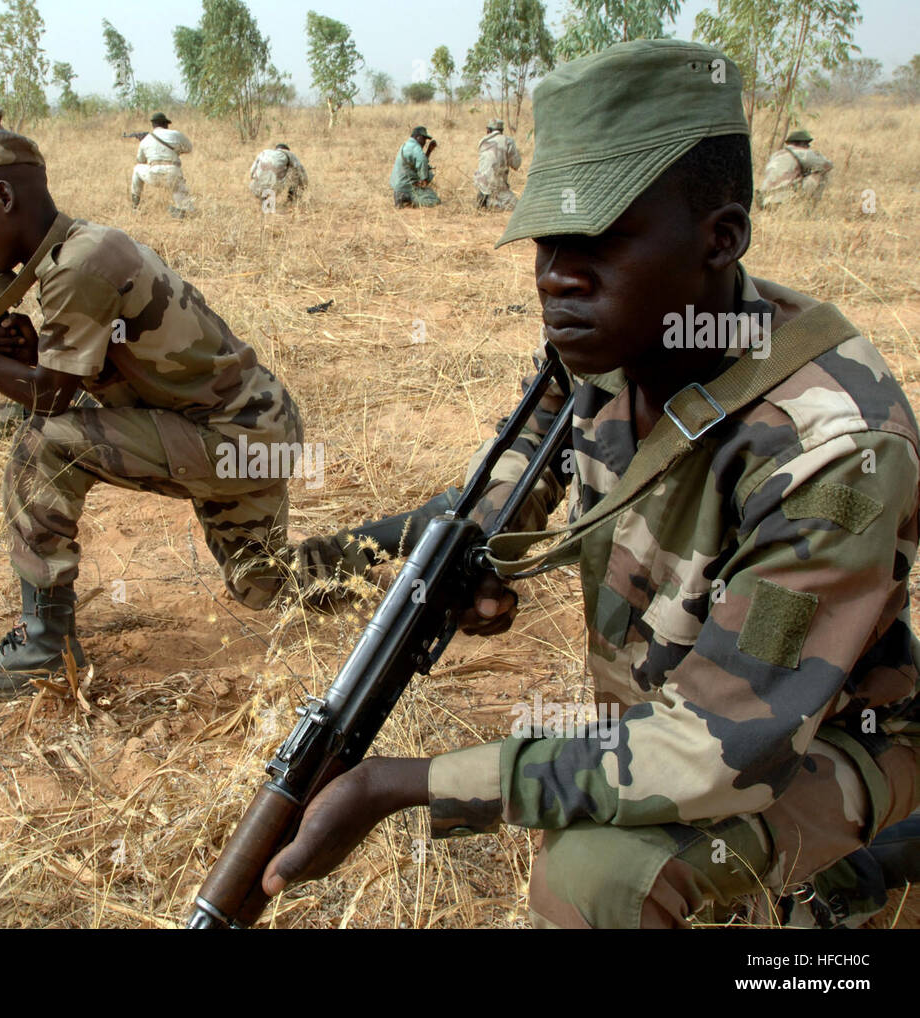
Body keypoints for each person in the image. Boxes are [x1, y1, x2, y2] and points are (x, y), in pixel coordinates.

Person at [263, 39, 920, 930]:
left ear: (721, 237)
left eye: (600, 238)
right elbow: (523, 465)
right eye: (547, 239)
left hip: (821, 739)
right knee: (589, 806)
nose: (556, 275)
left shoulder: (835, 446)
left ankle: (851, 878)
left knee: (598, 877)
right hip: (670, 714)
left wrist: (406, 786)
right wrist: (483, 552)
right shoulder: (616, 343)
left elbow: (721, 751)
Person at [0, 130, 313, 701]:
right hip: (257, 430)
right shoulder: (76, 249)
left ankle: (43, 646)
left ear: (5, 197)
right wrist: (29, 352)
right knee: (266, 584)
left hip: (232, 437)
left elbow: (51, 401)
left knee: (46, 442)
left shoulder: (78, 265)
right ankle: (417, 535)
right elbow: (87, 371)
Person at [130, 112, 194, 217]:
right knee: (182, 197)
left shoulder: (145, 140)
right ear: (166, 124)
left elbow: (140, 160)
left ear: (153, 125)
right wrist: (176, 151)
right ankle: (184, 211)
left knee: (137, 169)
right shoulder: (175, 134)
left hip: (153, 175)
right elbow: (189, 148)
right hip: (173, 173)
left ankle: (135, 206)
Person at [758, 128, 834, 209]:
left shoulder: (775, 155)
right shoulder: (802, 152)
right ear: (802, 143)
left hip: (766, 199)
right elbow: (828, 164)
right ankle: (809, 208)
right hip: (786, 198)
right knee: (821, 173)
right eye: (807, 145)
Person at [474, 118, 522, 211]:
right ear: (502, 131)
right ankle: (491, 203)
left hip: (480, 183)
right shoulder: (508, 141)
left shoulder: (482, 141)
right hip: (497, 184)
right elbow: (516, 164)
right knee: (517, 207)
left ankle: (485, 199)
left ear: (488, 130)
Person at [247, 143, 308, 211]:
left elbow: (252, 170)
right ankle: (291, 200)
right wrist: (303, 186)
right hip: (274, 187)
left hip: (255, 186)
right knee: (295, 174)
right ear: (286, 150)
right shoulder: (288, 154)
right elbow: (301, 171)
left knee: (266, 190)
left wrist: (255, 180)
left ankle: (265, 204)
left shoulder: (264, 152)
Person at [390, 126, 439, 208]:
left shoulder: (406, 145)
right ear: (418, 137)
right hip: (407, 187)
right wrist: (423, 181)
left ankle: (402, 198)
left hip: (397, 187)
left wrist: (429, 151)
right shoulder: (416, 148)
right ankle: (410, 200)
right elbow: (422, 162)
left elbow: (418, 162)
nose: (424, 142)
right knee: (435, 200)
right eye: (424, 139)